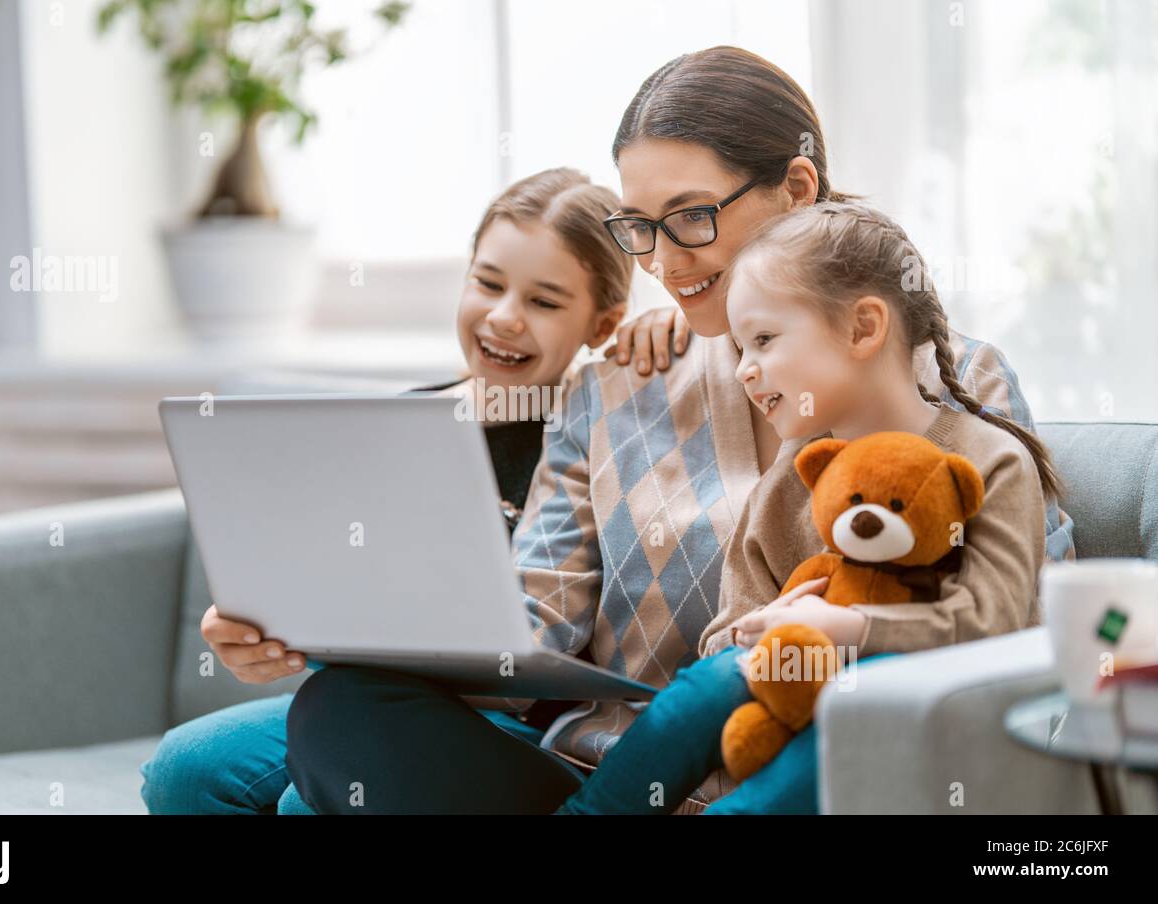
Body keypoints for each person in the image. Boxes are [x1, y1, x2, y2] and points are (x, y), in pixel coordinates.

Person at [283, 46, 1074, 816]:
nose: (661, 260)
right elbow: (532, 638)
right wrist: (316, 623)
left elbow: (1031, 624)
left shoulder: (961, 389)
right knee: (337, 710)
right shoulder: (617, 385)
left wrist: (851, 633)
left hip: (809, 758)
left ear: (798, 188)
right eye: (639, 226)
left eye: (691, 218)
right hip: (607, 766)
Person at [139, 167, 683, 814]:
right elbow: (336, 584)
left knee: (303, 797)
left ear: (603, 325)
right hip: (376, 699)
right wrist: (255, 626)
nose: (504, 318)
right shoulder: (402, 424)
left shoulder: (596, 429)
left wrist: (667, 326)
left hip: (517, 730)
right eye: (487, 283)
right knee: (183, 769)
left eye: (544, 302)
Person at [555, 201, 1055, 814]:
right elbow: (727, 637)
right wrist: (770, 623)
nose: (744, 371)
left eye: (763, 340)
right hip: (800, 698)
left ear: (862, 328)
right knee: (709, 685)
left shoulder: (989, 460)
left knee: (853, 708)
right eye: (740, 348)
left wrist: (846, 630)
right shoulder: (801, 470)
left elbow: (992, 629)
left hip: (943, 729)